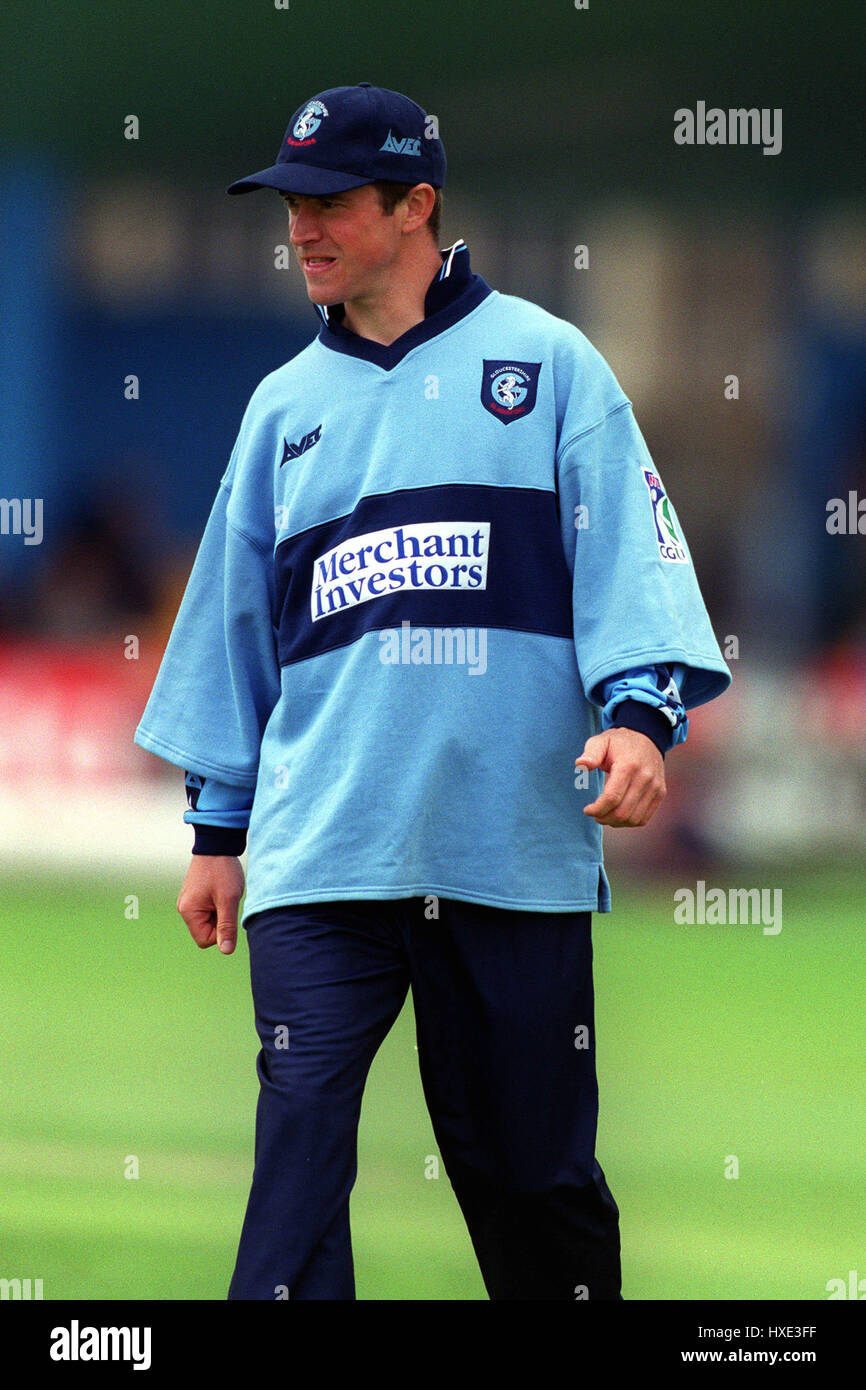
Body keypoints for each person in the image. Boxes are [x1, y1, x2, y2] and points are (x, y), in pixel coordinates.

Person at [134, 83, 731, 1301]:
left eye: (328, 203)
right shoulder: (278, 410)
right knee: (294, 1168)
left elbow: (629, 555)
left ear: (416, 204)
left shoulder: (550, 365)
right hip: (321, 858)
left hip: (503, 854)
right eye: (287, 206)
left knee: (534, 1187)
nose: (298, 229)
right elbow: (237, 636)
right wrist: (215, 830)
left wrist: (636, 716)